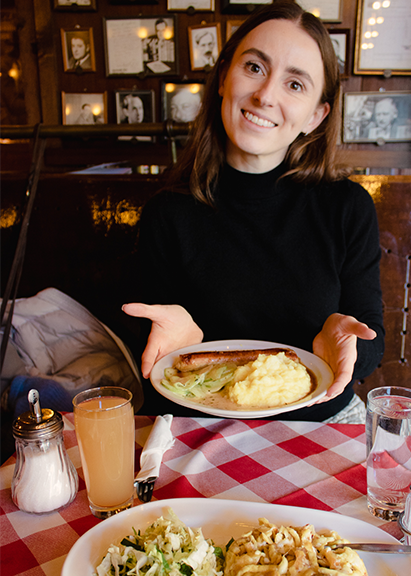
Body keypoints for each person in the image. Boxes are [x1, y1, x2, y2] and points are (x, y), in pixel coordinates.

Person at [123, 1, 384, 423]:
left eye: (295, 85)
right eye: (255, 68)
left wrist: (351, 347)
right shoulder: (167, 212)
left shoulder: (347, 207)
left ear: (316, 116)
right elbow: (150, 352)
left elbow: (370, 330)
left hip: (319, 419)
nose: (265, 95)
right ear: (225, 76)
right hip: (201, 420)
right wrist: (171, 348)